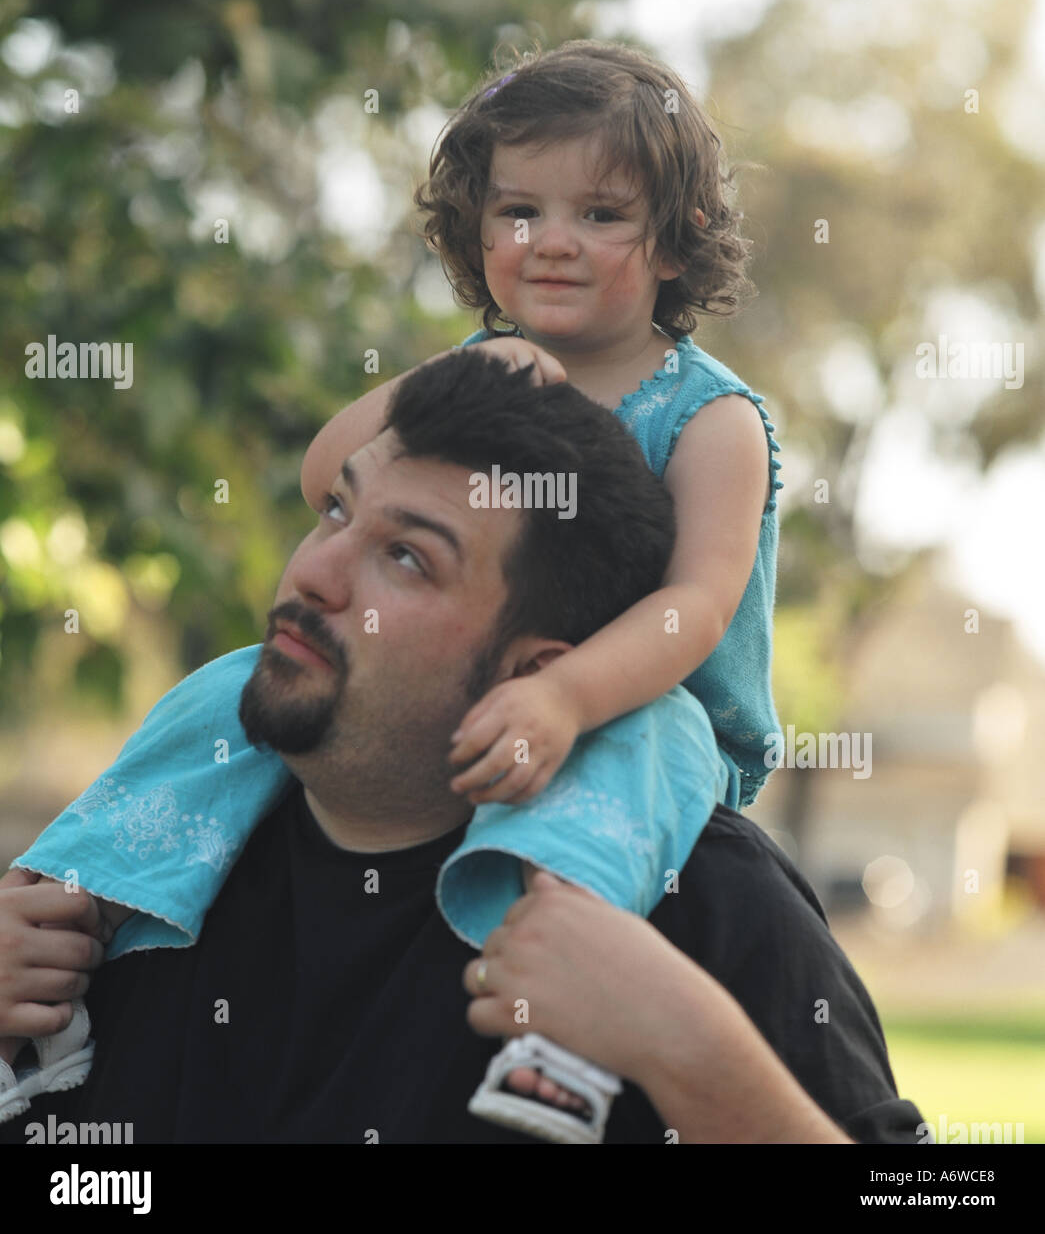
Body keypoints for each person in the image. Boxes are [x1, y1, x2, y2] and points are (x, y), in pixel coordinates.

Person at [3, 39, 786, 1139]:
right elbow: (330, 471)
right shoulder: (477, 367)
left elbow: (694, 605)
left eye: (601, 216)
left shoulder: (709, 417)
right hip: (488, 704)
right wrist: (452, 378)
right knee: (222, 690)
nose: (551, 240)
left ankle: (553, 1035)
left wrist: (566, 699)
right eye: (518, 209)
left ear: (673, 240)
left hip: (648, 709)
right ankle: (68, 898)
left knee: (639, 738)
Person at [0, 351, 922, 1143]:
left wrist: (688, 1050)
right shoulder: (135, 882)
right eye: (335, 514)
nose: (314, 575)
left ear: (529, 671)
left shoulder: (695, 903)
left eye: (406, 558)